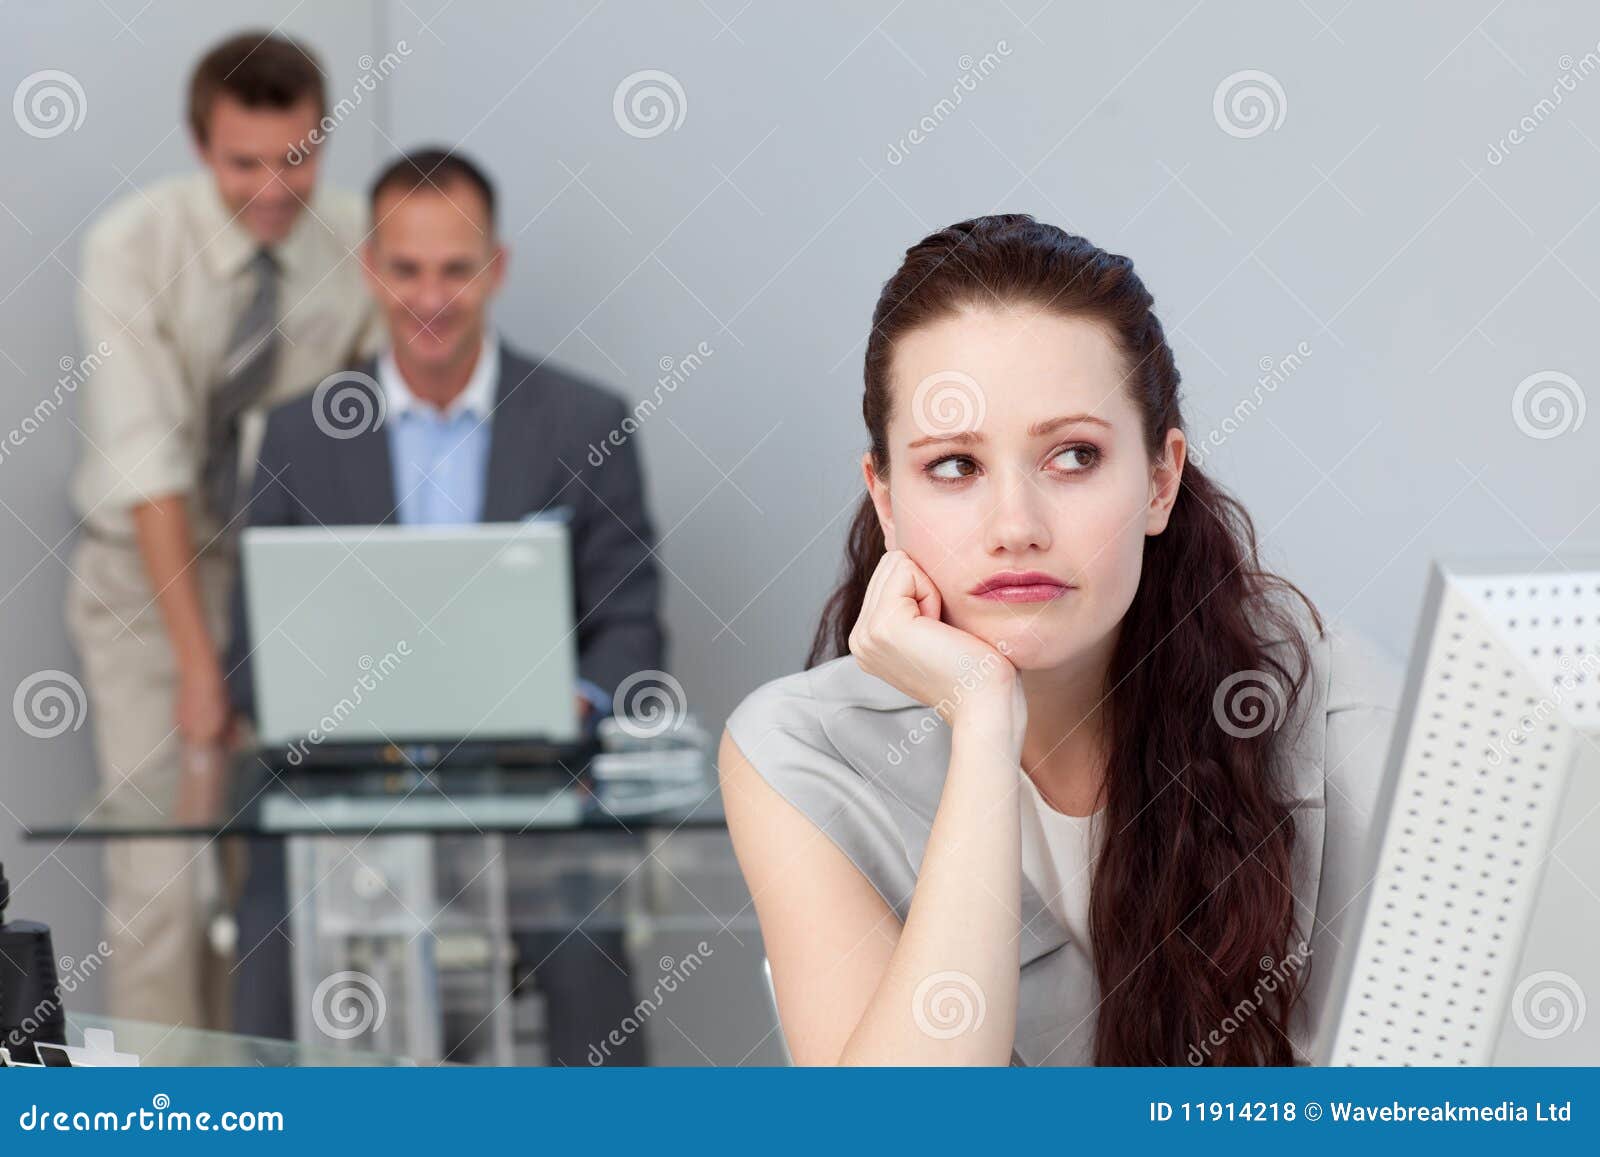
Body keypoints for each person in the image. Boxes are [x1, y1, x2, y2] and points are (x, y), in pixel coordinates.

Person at [719, 214, 1403, 1066]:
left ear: (1161, 479)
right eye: (955, 466)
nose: (1015, 526)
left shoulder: (1333, 710)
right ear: (886, 497)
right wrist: (980, 723)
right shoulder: (802, 751)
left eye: (1074, 456)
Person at [224, 149, 664, 1060]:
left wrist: (573, 704)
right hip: (339, 791)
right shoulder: (300, 433)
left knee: (587, 955)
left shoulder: (585, 422)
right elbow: (250, 653)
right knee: (269, 936)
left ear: (495, 270)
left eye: (457, 269)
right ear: (371, 269)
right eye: (408, 268)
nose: (431, 296)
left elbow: (631, 620)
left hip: (534, 788)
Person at [65, 31, 379, 1028]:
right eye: (246, 161)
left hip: (288, 582)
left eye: (298, 156)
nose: (274, 186)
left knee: (283, 879)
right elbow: (149, 470)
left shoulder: (358, 243)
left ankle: (278, 1111)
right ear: (203, 148)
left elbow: (361, 453)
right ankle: (166, 1113)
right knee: (161, 880)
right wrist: (204, 668)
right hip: (148, 586)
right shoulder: (133, 246)